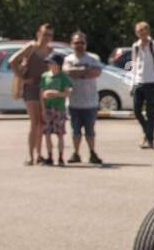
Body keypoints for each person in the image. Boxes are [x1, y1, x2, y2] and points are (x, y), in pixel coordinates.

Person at [10, 24, 54, 166]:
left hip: (44, 89)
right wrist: (22, 78)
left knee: (42, 122)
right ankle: (30, 156)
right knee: (34, 121)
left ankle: (39, 154)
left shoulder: (50, 51)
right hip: (31, 88)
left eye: (49, 35)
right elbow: (12, 61)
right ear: (38, 34)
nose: (47, 37)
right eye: (44, 34)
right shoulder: (31, 47)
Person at [63, 31, 103, 164]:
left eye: (82, 42)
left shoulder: (93, 58)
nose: (79, 45)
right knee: (75, 131)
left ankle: (92, 152)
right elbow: (68, 73)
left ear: (86, 44)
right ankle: (76, 153)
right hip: (74, 102)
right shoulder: (68, 59)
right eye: (76, 43)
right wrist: (85, 71)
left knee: (90, 131)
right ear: (71, 44)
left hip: (90, 102)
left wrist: (78, 71)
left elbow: (96, 72)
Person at [130, 21, 154, 148]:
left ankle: (149, 138)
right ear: (137, 34)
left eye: (145, 33)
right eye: (140, 33)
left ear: (148, 33)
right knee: (137, 110)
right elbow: (133, 65)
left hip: (151, 81)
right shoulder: (136, 46)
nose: (143, 36)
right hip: (139, 81)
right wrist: (131, 83)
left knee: (150, 111)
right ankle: (147, 131)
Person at [39, 52, 73, 166]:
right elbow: (41, 92)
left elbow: (67, 93)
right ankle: (50, 156)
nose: (49, 65)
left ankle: (61, 156)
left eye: (51, 63)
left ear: (58, 64)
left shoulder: (63, 76)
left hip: (59, 108)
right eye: (48, 63)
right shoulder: (45, 76)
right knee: (47, 133)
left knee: (60, 134)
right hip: (48, 108)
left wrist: (56, 93)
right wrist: (43, 108)